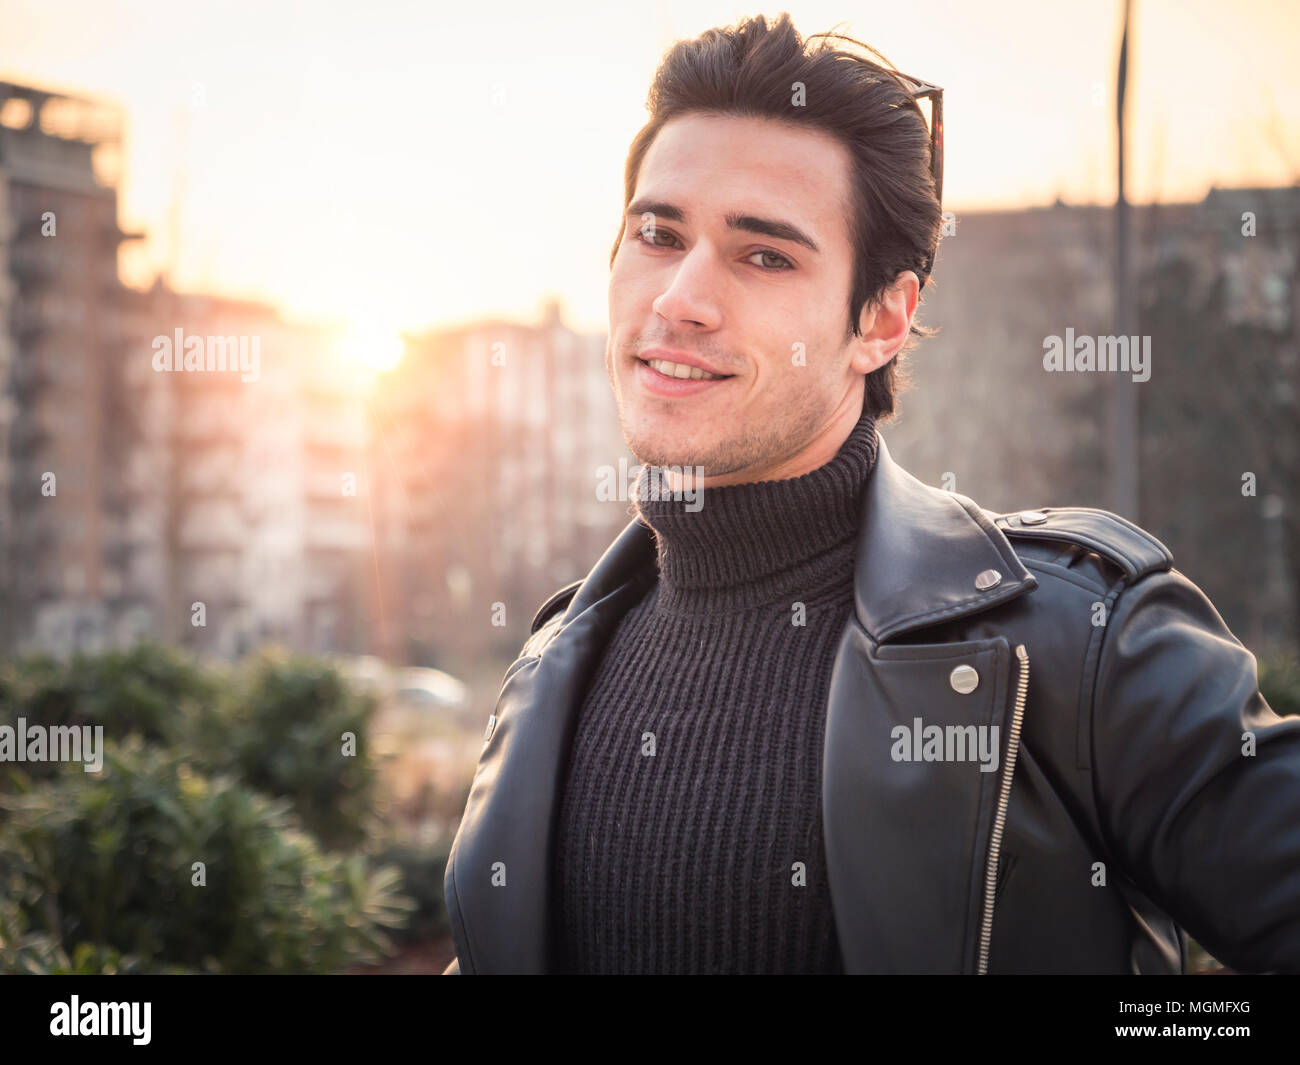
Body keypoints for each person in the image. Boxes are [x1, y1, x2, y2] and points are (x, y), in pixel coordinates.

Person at [442, 12, 1300, 974]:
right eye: (657, 232)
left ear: (882, 319)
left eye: (765, 254)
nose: (680, 296)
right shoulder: (554, 662)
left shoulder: (1081, 642)